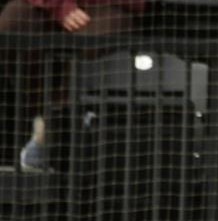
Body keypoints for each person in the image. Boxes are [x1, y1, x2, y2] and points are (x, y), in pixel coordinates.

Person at [0, 0, 145, 171]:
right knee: (14, 19)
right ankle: (49, 118)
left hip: (106, 7)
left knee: (94, 34)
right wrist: (62, 7)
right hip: (49, 5)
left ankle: (61, 120)